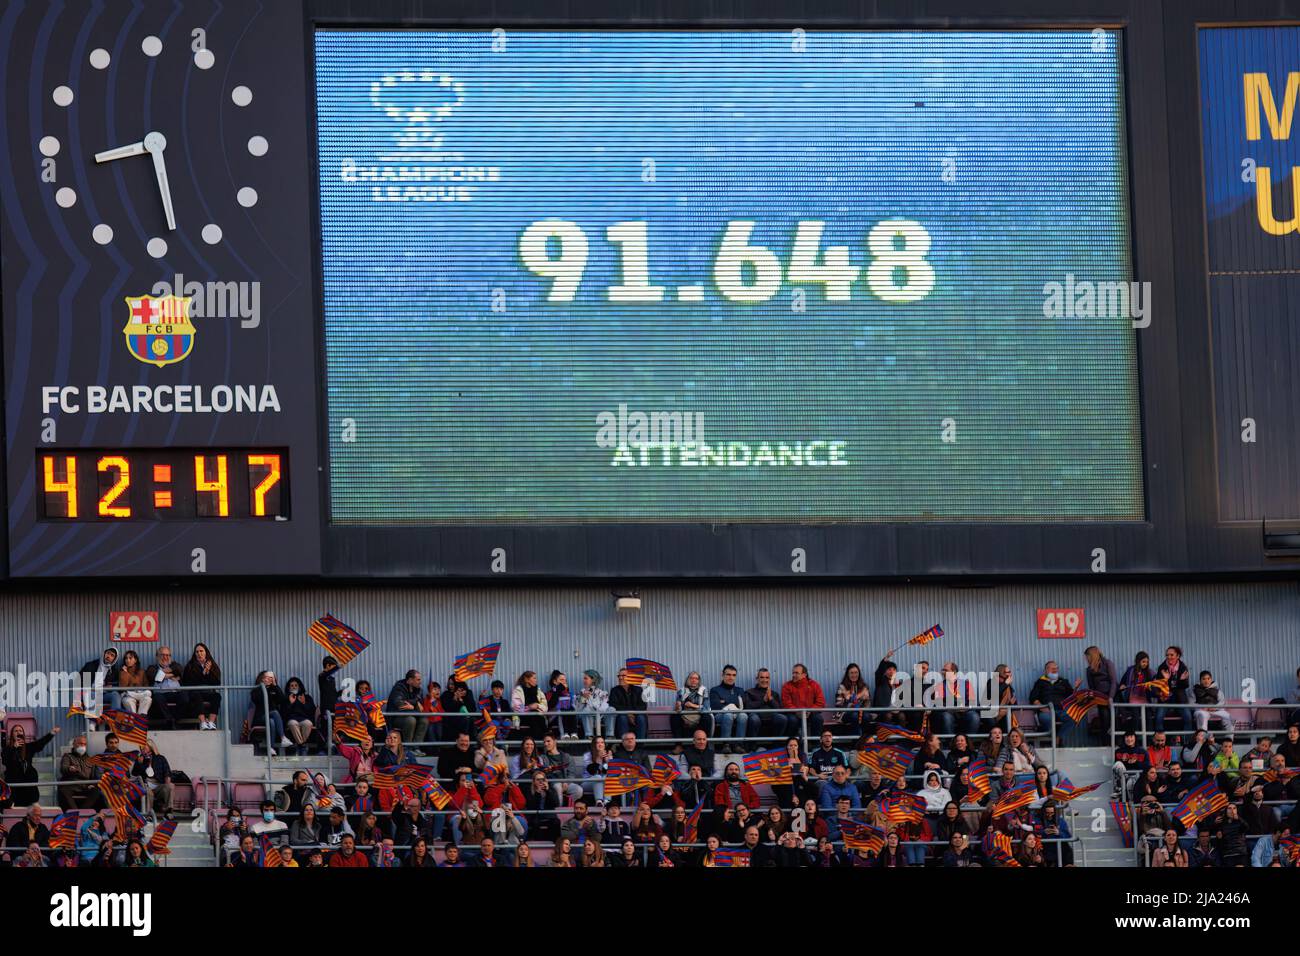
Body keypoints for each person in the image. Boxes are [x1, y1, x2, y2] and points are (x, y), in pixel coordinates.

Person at [3, 722, 59, 806]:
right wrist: (14, 748)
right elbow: (6, 761)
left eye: (20, 731)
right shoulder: (7, 749)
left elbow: (40, 743)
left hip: (28, 782)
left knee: (31, 775)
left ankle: (33, 803)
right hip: (14, 781)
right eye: (16, 731)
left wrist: (51, 733)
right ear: (12, 734)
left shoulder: (29, 747)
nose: (18, 732)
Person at [708, 665, 755, 754]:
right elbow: (716, 706)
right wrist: (733, 703)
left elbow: (743, 705)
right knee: (728, 715)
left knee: (743, 716)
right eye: (728, 674)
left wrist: (725, 702)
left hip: (737, 714)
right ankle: (726, 745)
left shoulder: (739, 690)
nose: (731, 677)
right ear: (723, 675)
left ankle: (738, 745)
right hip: (720, 715)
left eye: (733, 675)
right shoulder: (715, 690)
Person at [745, 667, 795, 742]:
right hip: (756, 716)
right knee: (754, 719)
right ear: (757, 679)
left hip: (772, 717)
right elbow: (747, 707)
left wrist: (771, 699)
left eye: (767, 677)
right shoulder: (750, 692)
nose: (764, 680)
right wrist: (763, 701)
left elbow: (780, 710)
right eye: (761, 677)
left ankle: (776, 745)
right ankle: (752, 746)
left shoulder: (774, 694)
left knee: (782, 718)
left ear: (769, 679)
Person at [180, 642, 222, 729]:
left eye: (201, 651)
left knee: (217, 696)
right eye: (197, 652)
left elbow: (217, 682)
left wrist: (209, 672)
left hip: (208, 692)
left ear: (206, 652)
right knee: (197, 696)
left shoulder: (213, 665)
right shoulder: (190, 666)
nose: (199, 653)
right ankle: (203, 722)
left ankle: (211, 722)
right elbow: (187, 682)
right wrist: (203, 673)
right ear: (195, 654)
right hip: (195, 693)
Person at [781, 663, 826, 740]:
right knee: (792, 720)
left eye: (796, 673)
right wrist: (797, 711)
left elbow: (821, 702)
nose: (794, 675)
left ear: (804, 674)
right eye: (793, 673)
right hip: (794, 713)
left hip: (810, 713)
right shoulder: (787, 686)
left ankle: (815, 744)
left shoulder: (814, 685)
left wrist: (810, 711)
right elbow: (786, 702)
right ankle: (792, 744)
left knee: (818, 719)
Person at [1153, 646, 1192, 736]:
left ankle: (1187, 743)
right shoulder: (1162, 667)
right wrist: (1167, 680)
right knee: (1158, 718)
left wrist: (1171, 680)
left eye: (1171, 655)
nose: (1169, 657)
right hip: (1166, 698)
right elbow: (1160, 686)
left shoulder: (1183, 667)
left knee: (1188, 718)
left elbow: (1185, 685)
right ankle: (1160, 741)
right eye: (1167, 655)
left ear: (1178, 656)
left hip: (1180, 699)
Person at [131, 738, 173, 819]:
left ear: (150, 747)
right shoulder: (140, 759)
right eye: (141, 748)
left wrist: (167, 785)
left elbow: (167, 773)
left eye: (144, 747)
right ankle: (148, 815)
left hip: (158, 784)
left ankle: (168, 812)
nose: (142, 749)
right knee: (147, 792)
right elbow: (134, 773)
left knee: (170, 786)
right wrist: (139, 763)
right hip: (145, 784)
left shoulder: (160, 758)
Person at [249, 670, 290, 754]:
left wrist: (275, 686)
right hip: (260, 717)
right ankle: (283, 737)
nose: (269, 680)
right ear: (262, 679)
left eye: (271, 678)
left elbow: (282, 700)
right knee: (274, 713)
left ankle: (270, 748)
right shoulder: (256, 690)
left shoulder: (274, 689)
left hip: (271, 718)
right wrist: (263, 687)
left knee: (271, 722)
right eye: (267, 677)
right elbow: (256, 699)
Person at [145, 646, 186, 727]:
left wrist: (161, 674)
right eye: (162, 655)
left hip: (175, 693)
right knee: (157, 699)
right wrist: (173, 675)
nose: (165, 657)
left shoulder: (176, 665)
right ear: (157, 656)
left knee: (185, 697)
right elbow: (154, 676)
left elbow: (180, 669)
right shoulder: (152, 668)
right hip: (161, 694)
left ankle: (175, 719)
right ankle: (170, 720)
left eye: (168, 655)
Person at [538, 733, 583, 805]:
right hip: (552, 783)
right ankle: (559, 811)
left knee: (578, 790)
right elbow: (541, 773)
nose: (546, 744)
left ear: (555, 742)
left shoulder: (567, 756)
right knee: (558, 787)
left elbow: (571, 773)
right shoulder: (542, 758)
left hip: (566, 783)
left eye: (548, 741)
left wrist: (566, 782)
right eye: (544, 742)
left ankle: (566, 804)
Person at [1082, 645, 1117, 735]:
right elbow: (1092, 687)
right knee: (1104, 718)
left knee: (1114, 718)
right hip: (1100, 697)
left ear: (1092, 656)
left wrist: (1111, 697)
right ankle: (1106, 741)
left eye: (1087, 657)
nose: (1086, 659)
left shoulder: (1107, 663)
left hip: (1112, 694)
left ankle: (1115, 741)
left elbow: (1113, 681)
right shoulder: (1089, 670)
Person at [58, 734, 99, 811]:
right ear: (74, 744)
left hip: (86, 786)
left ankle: (82, 812)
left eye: (84, 744)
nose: (82, 746)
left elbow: (93, 776)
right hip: (72, 785)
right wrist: (69, 769)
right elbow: (63, 769)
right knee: (63, 790)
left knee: (96, 791)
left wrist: (92, 784)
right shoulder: (67, 756)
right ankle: (75, 811)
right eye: (80, 743)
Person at [1028, 661, 1073, 730]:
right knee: (1046, 719)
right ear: (1046, 670)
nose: (1055, 670)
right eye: (1052, 669)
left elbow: (1071, 695)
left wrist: (1075, 688)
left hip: (1061, 710)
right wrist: (1042, 708)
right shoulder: (1040, 682)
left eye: (1056, 668)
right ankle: (1051, 738)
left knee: (1073, 718)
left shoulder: (1063, 681)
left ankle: (1058, 737)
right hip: (1047, 711)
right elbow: (1033, 698)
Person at [609, 667, 649, 740]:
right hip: (622, 715)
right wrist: (628, 714)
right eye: (619, 676)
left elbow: (643, 706)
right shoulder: (614, 690)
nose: (620, 678)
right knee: (622, 718)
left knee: (641, 718)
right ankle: (624, 745)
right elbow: (613, 704)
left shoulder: (638, 690)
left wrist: (632, 714)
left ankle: (640, 745)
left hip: (636, 715)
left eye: (623, 676)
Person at [387, 669, 425, 746]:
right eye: (418, 679)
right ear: (410, 680)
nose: (420, 682)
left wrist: (413, 706)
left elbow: (420, 708)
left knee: (424, 720)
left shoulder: (419, 690)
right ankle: (407, 748)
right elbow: (400, 704)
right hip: (396, 717)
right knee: (410, 720)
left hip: (411, 714)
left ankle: (416, 747)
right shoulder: (399, 687)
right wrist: (415, 704)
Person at [672, 671, 711, 744]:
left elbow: (706, 708)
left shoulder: (704, 690)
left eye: (696, 678)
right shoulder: (682, 690)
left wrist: (692, 705)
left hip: (699, 715)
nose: (694, 680)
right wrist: (678, 706)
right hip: (685, 716)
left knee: (707, 717)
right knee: (674, 717)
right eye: (691, 678)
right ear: (688, 679)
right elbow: (678, 709)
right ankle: (678, 745)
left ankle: (705, 744)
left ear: (699, 680)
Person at [834, 663, 871, 737]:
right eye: (851, 673)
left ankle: (864, 740)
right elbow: (838, 704)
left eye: (856, 672)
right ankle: (855, 741)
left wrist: (861, 709)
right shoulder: (842, 687)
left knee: (866, 716)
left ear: (859, 674)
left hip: (861, 712)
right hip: (845, 713)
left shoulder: (864, 686)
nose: (854, 675)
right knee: (854, 715)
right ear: (847, 674)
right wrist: (849, 701)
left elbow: (868, 703)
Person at [282, 676, 316, 756]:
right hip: (292, 719)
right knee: (292, 724)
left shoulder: (307, 697)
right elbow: (283, 713)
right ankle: (302, 745)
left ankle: (299, 745)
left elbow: (312, 711)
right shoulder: (286, 698)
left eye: (296, 685)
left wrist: (304, 703)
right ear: (289, 688)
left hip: (304, 719)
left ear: (300, 686)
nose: (294, 687)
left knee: (308, 724)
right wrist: (290, 703)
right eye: (292, 685)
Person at [511, 670, 549, 739]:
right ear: (526, 679)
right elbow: (517, 707)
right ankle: (540, 742)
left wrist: (537, 706)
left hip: (538, 715)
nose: (536, 680)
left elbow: (545, 707)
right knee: (535, 719)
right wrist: (529, 707)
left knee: (538, 718)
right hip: (524, 716)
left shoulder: (538, 691)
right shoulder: (518, 690)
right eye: (534, 678)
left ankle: (541, 742)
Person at [574, 669, 610, 740]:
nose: (584, 681)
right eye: (584, 678)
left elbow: (604, 707)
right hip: (585, 717)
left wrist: (596, 712)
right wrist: (583, 699)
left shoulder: (603, 693)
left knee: (611, 709)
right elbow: (578, 711)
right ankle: (589, 735)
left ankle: (610, 736)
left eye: (586, 678)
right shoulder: (581, 693)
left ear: (593, 680)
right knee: (587, 710)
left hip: (600, 716)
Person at [114, 650, 150, 716]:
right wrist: (125, 673)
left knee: (148, 698)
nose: (128, 660)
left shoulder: (141, 671)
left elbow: (146, 685)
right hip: (128, 695)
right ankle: (134, 718)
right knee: (127, 701)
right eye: (126, 658)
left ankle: (141, 717)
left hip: (140, 693)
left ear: (135, 660)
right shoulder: (122, 672)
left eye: (130, 658)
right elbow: (122, 687)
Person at [547, 670, 578, 739]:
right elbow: (550, 705)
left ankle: (574, 733)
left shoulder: (568, 693)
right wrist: (560, 688)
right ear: (554, 682)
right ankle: (564, 734)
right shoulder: (551, 692)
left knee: (571, 708)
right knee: (563, 709)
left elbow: (575, 705)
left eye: (565, 680)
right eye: (561, 679)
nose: (564, 681)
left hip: (569, 717)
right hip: (554, 716)